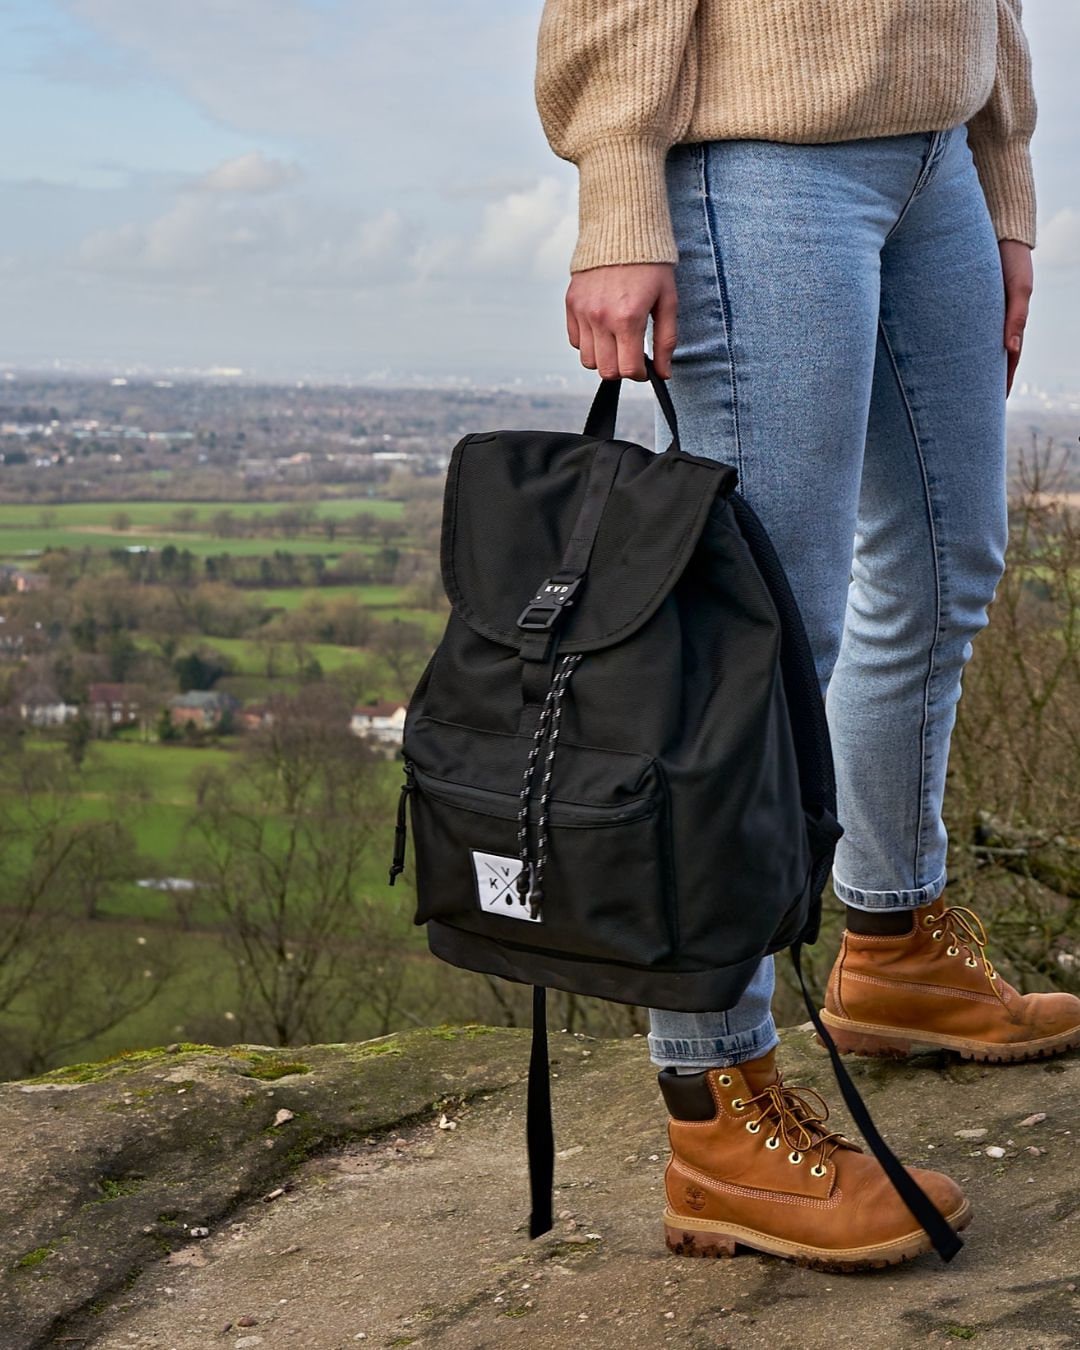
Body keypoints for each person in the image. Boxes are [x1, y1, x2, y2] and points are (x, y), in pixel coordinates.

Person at [534, 0, 1080, 1270]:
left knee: (949, 566)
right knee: (759, 645)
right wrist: (619, 188)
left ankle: (893, 944)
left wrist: (1003, 180)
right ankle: (715, 1104)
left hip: (936, 155)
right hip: (762, 155)